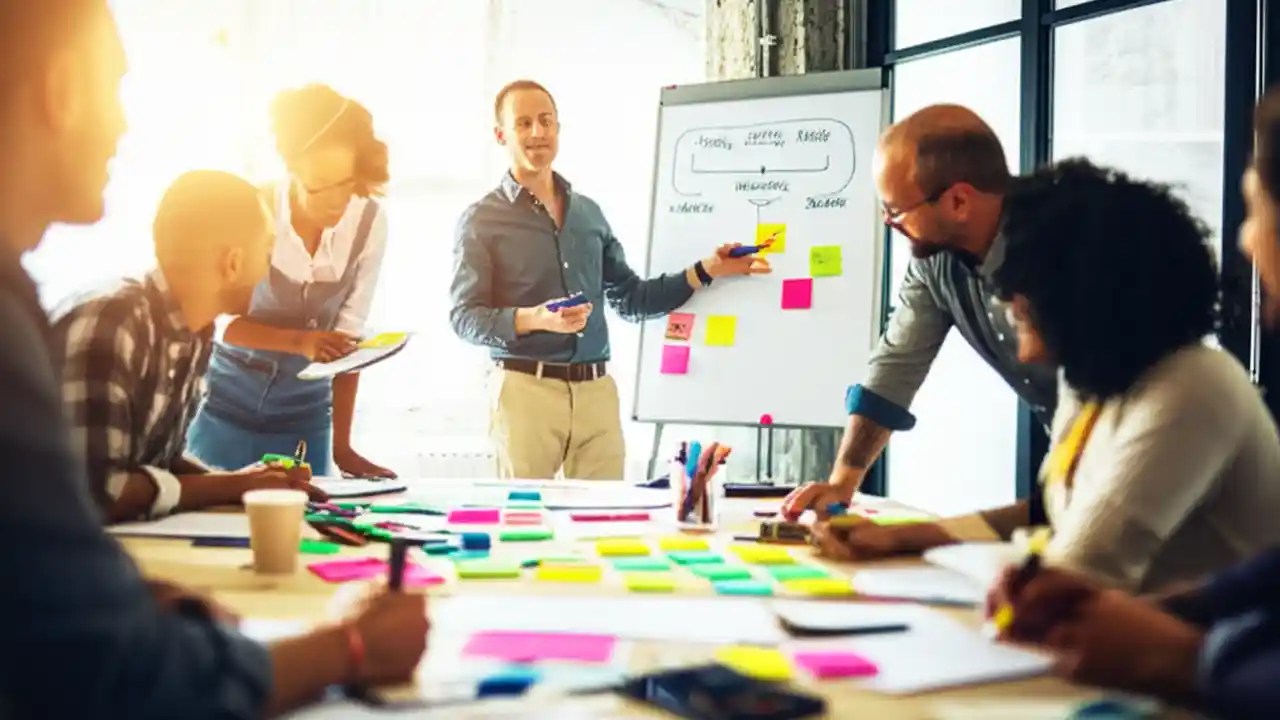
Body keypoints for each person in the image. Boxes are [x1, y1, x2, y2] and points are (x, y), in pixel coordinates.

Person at [0, 3, 426, 717]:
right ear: (62, 89)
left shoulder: (31, 306)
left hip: (297, 408)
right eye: (114, 92)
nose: (123, 126)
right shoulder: (77, 322)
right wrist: (348, 646)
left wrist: (124, 593)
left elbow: (43, 569)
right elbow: (102, 668)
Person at [814, 158, 1280, 593]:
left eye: (1023, 273)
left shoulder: (1193, 386)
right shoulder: (1088, 380)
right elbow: (1058, 513)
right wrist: (914, 537)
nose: (1003, 295)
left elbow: (1080, 570)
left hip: (1193, 670)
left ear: (1087, 286)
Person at [986, 86, 1280, 720]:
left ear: (1079, 293)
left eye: (1256, 210)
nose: (1248, 241)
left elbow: (1092, 565)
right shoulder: (1093, 382)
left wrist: (1188, 655)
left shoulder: (1195, 385)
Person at [450, 79, 769, 480]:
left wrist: (706, 269)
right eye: (524, 123)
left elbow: (631, 298)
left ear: (559, 129)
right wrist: (535, 318)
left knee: (605, 520)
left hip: (596, 393)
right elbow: (464, 317)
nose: (537, 132)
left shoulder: (588, 214)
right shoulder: (481, 219)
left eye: (546, 121)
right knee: (526, 522)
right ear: (501, 135)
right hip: (524, 390)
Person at [781, 104, 1058, 523]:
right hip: (1075, 457)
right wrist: (843, 482)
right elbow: (896, 363)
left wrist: (907, 538)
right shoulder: (934, 261)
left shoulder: (1059, 243)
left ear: (958, 201)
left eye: (896, 210)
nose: (890, 222)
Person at [51, 170, 327, 524]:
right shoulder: (112, 321)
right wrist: (233, 486)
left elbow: (154, 463)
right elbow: (100, 492)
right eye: (268, 249)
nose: (269, 267)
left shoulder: (194, 331)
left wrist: (247, 482)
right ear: (233, 263)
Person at [187, 84, 396, 479]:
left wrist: (343, 449)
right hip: (222, 411)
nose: (336, 200)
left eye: (346, 183)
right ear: (290, 170)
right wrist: (299, 342)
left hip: (304, 420)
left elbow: (347, 339)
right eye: (319, 186)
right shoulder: (253, 208)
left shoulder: (370, 223)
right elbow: (217, 322)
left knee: (306, 532)